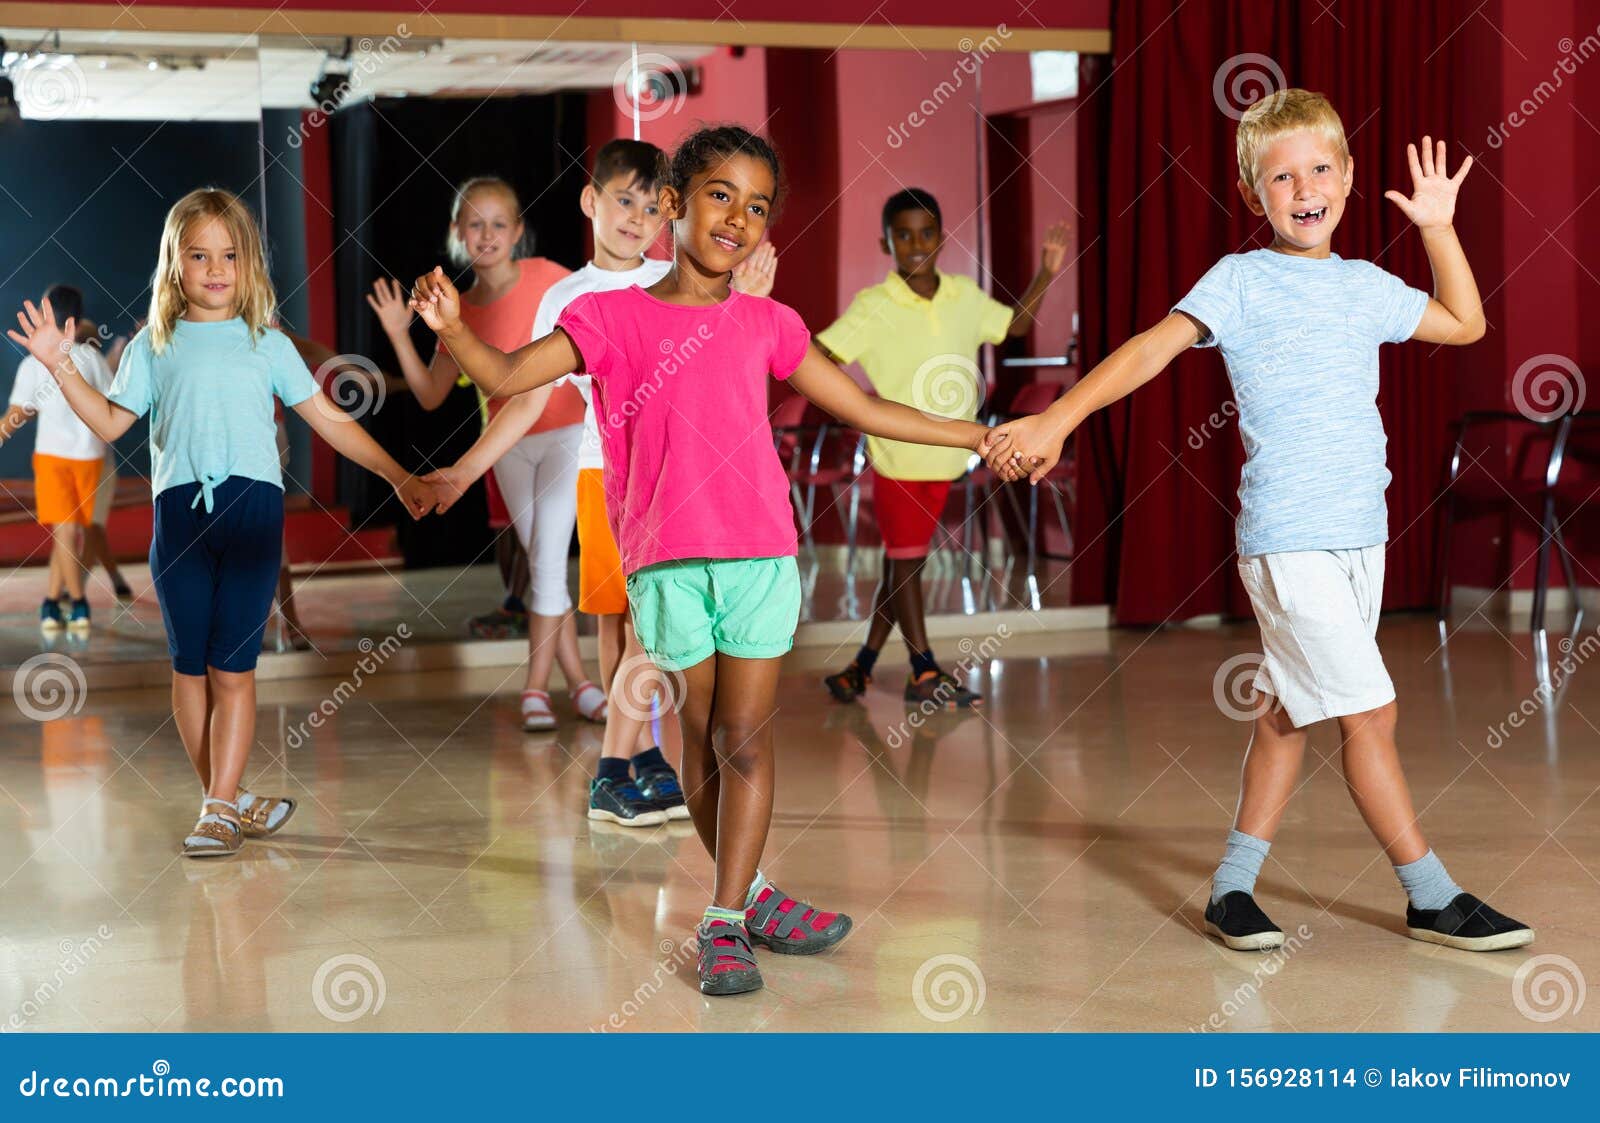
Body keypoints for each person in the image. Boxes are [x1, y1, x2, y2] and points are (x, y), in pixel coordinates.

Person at [409, 125, 1012, 995]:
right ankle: (753, 897)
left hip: (760, 560)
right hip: (665, 567)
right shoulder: (609, 317)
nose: (738, 217)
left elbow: (868, 410)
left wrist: (979, 436)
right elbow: (506, 377)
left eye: (757, 206)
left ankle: (722, 918)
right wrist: (450, 328)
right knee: (698, 744)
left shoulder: (769, 322)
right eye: (720, 195)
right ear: (673, 204)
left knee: (746, 741)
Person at [985, 90, 1532, 953]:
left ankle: (1231, 889)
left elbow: (1466, 322)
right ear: (1252, 194)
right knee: (1370, 713)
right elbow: (1151, 348)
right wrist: (1058, 419)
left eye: (1319, 169)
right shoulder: (1240, 280)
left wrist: (1437, 228)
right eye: (1281, 177)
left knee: (1287, 709)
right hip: (1287, 538)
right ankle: (1431, 896)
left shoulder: (1363, 286)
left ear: (1348, 177)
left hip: (1361, 534)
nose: (1304, 188)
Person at [9, 187, 436, 858]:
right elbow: (111, 422)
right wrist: (59, 365)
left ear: (249, 263)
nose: (215, 268)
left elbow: (330, 420)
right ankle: (226, 802)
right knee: (189, 668)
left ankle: (217, 807)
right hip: (179, 520)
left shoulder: (268, 343)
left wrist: (398, 475)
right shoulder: (153, 346)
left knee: (233, 670)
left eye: (230, 255)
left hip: (252, 516)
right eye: (199, 255)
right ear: (174, 263)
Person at [426, 138, 777, 826]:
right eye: (623, 202)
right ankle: (629, 761)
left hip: (676, 484)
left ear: (668, 211)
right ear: (591, 202)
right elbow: (523, 394)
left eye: (651, 207)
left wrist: (747, 300)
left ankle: (632, 759)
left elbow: (728, 366)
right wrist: (464, 472)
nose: (637, 219)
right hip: (606, 478)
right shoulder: (569, 295)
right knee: (620, 626)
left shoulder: (674, 277)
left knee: (650, 629)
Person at [370, 175, 607, 727]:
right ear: (457, 232)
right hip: (507, 448)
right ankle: (579, 683)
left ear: (518, 231)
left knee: (547, 561)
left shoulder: (551, 278)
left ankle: (536, 690)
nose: (487, 234)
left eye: (499, 223)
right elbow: (430, 395)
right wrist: (400, 333)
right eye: (475, 224)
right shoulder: (459, 309)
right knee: (544, 567)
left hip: (569, 436)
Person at [818, 189, 1068, 708]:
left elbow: (1015, 325)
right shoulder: (873, 306)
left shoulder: (963, 296)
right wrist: (856, 407)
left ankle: (861, 668)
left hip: (949, 458)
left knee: (902, 566)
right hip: (899, 459)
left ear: (941, 238)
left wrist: (1046, 273)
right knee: (907, 563)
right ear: (885, 243)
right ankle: (923, 671)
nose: (916, 244)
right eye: (903, 235)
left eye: (926, 233)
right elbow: (819, 355)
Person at [1, 284, 111, 635]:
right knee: (69, 532)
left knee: (65, 532)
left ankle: (77, 603)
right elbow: (111, 404)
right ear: (77, 320)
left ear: (47, 316)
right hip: (91, 456)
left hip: (52, 455)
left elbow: (18, 412)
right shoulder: (92, 358)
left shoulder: (35, 362)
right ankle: (51, 601)